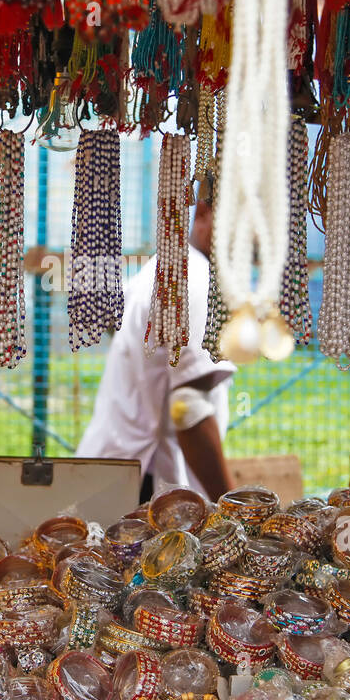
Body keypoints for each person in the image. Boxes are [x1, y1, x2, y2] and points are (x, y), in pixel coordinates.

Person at [76, 188, 236, 501]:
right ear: (202, 213)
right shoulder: (197, 279)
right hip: (142, 485)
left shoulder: (167, 267)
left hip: (113, 473)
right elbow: (188, 408)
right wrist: (232, 507)